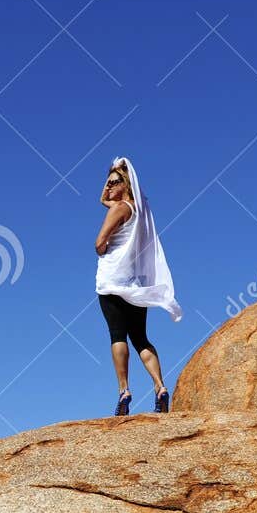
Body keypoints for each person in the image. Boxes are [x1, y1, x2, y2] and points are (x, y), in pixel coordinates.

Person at [94, 156, 181, 416]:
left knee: (117, 335)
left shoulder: (119, 209)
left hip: (112, 280)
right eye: (108, 182)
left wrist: (103, 249)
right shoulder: (139, 211)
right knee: (140, 338)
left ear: (126, 184)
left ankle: (124, 390)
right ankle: (160, 386)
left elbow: (99, 242)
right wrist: (112, 181)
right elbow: (104, 200)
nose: (109, 186)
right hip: (135, 284)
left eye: (113, 182)